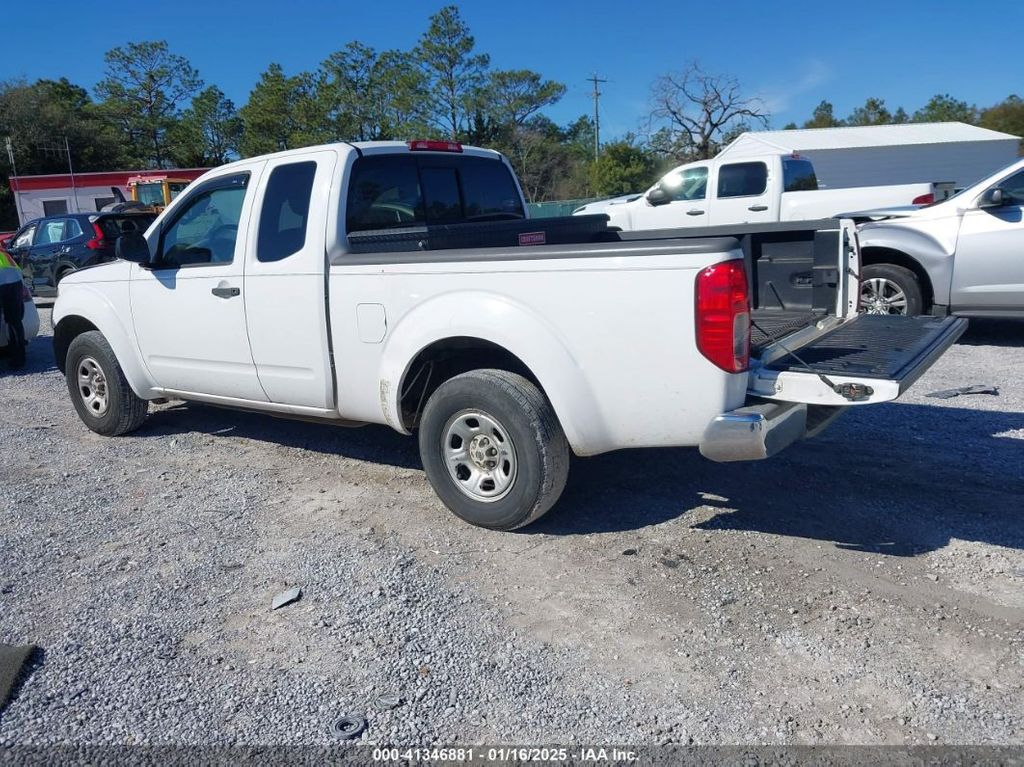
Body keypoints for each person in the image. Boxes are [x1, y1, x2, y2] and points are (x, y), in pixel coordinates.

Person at [0, 248, 26, 369]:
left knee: (13, 322)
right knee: (14, 322)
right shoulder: (3, 251)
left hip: (6, 283)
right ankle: (19, 359)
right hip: (15, 282)